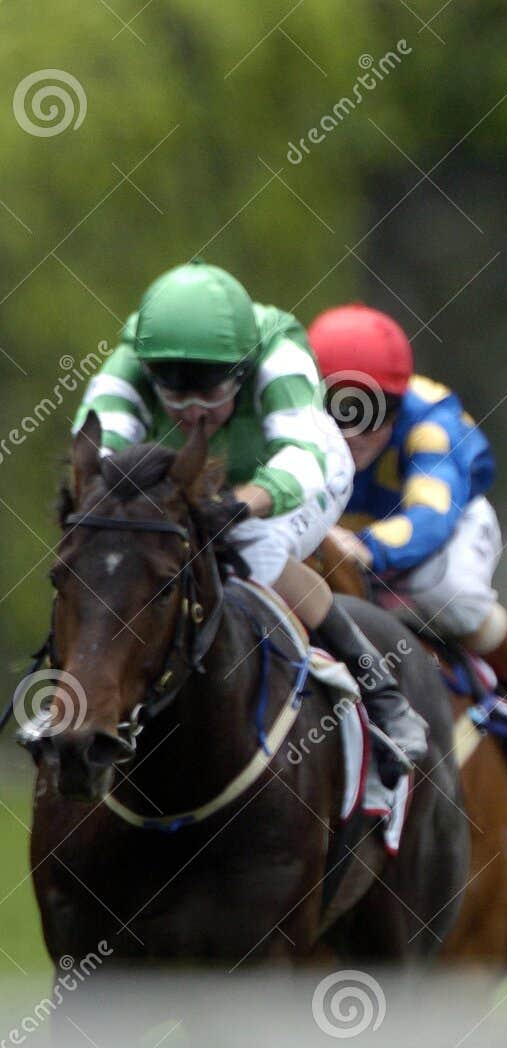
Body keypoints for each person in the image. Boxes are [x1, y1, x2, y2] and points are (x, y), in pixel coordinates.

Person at [71, 261, 426, 785]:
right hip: (196, 478)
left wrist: (239, 506)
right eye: (174, 390)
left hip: (299, 469)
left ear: (241, 369)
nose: (192, 410)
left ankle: (380, 689)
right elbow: (99, 458)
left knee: (252, 546)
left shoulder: (279, 354)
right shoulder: (132, 359)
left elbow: (300, 465)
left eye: (210, 390)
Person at [307, 303, 507, 812]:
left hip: (446, 524)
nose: (357, 430)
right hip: (342, 530)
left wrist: (365, 548)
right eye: (341, 408)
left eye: (379, 411)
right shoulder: (288, 416)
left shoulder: (432, 421)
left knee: (450, 596)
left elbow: (431, 517)